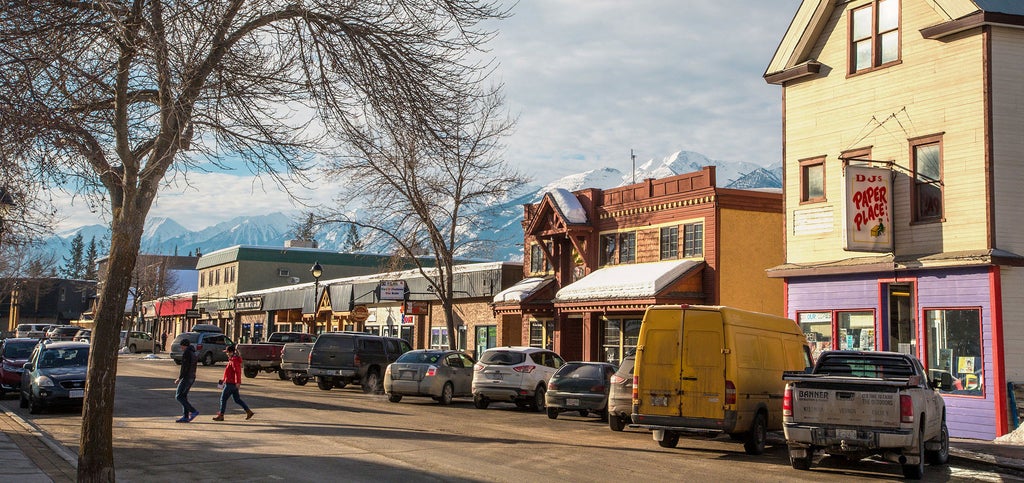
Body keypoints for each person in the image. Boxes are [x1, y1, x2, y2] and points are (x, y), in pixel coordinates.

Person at [213, 345, 254, 421]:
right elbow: (230, 372)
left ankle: (221, 415)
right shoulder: (233, 359)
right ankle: (248, 411)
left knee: (223, 399)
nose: (226, 354)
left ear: (231, 352)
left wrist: (238, 382)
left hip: (231, 383)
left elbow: (237, 372)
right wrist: (224, 379)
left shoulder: (234, 360)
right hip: (231, 382)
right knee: (237, 399)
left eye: (227, 352)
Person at [174, 338, 200, 423]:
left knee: (179, 396)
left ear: (184, 346)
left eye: (182, 346)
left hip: (187, 377)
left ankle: (193, 411)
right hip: (192, 376)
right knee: (184, 396)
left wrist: (180, 378)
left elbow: (184, 367)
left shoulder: (187, 353)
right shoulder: (193, 353)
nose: (181, 348)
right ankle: (185, 416)